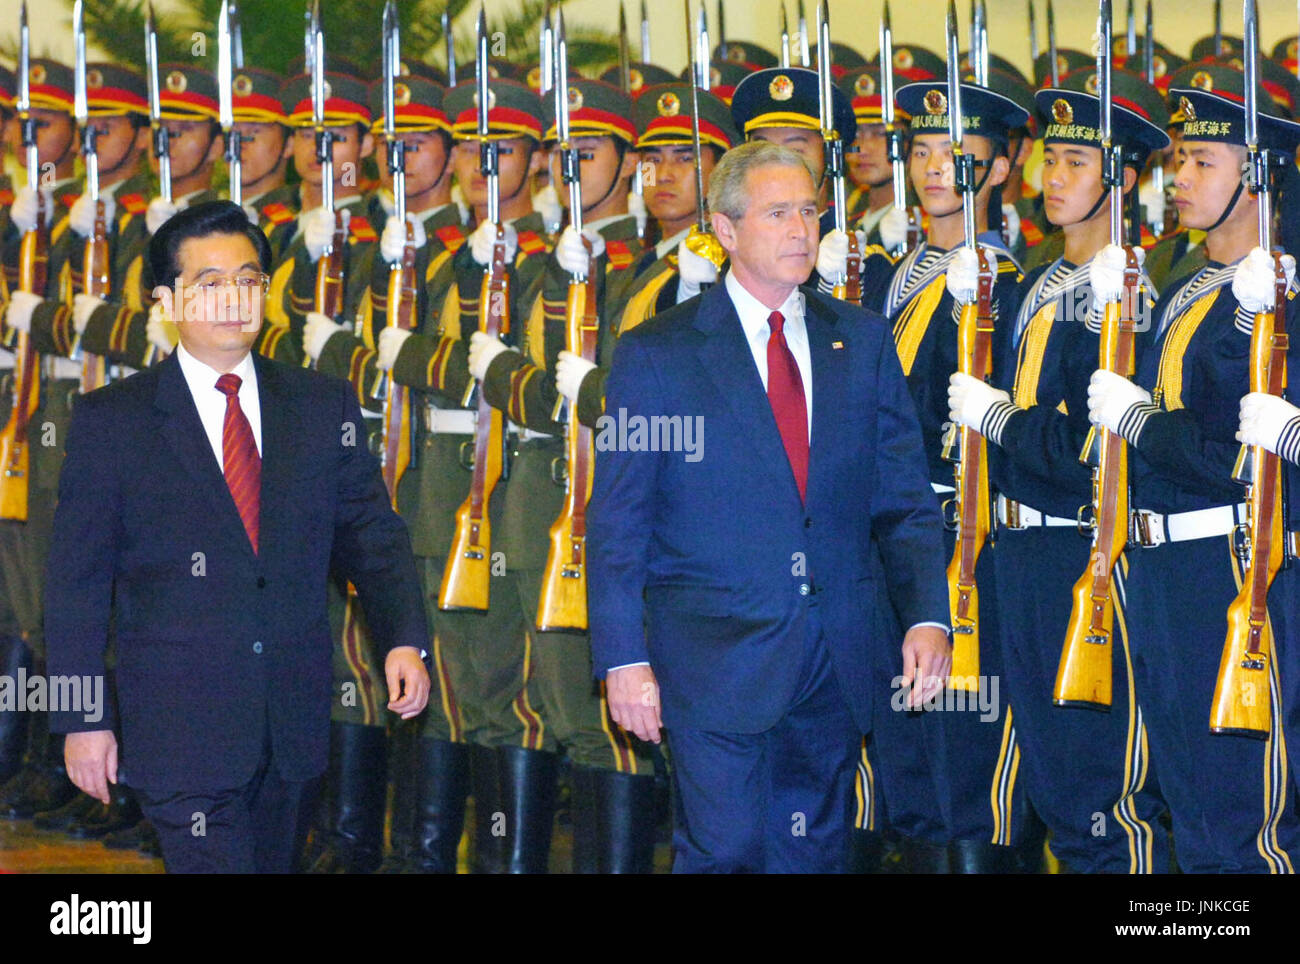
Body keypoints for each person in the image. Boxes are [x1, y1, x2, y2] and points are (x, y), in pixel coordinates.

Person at [587, 140, 951, 873]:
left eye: (809, 211)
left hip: (836, 655)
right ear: (724, 231)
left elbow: (903, 498)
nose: (800, 230)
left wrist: (926, 614)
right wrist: (623, 658)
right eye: (777, 213)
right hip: (711, 662)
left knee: (812, 855)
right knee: (726, 852)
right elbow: (619, 520)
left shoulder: (862, 339)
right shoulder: (657, 353)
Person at [44, 200, 431, 873]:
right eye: (210, 284)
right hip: (177, 732)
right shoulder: (115, 422)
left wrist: (403, 636)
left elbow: (371, 532)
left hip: (291, 728)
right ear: (166, 301)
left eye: (248, 282)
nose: (233, 302)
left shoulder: (319, 406)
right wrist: (81, 719)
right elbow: (75, 584)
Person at [1086, 63, 1300, 872]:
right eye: (1178, 158)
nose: (1178, 177)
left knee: (1253, 811)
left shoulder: (1283, 288)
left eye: (1203, 162)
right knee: (1189, 805)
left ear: (1263, 176)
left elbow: (1243, 457)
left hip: (1238, 560)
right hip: (1160, 563)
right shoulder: (1180, 272)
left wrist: (1140, 422)